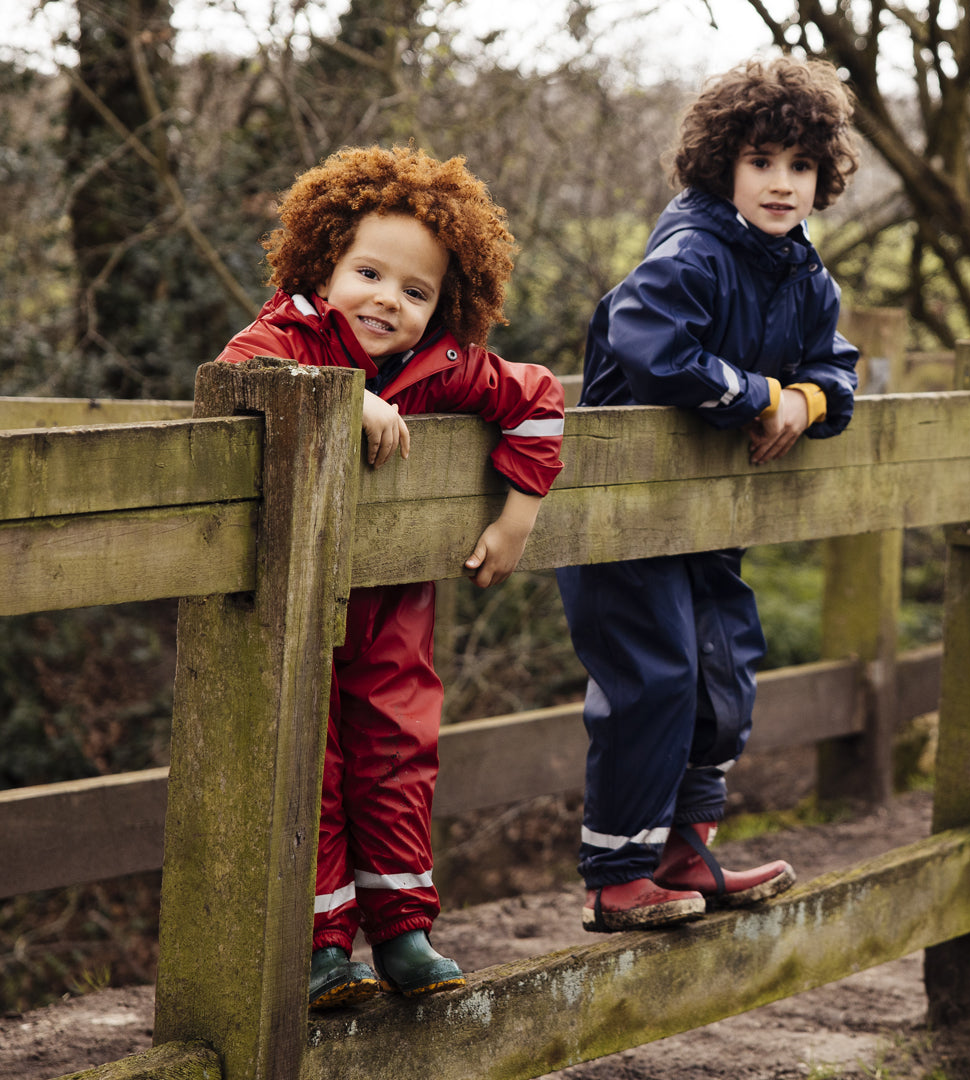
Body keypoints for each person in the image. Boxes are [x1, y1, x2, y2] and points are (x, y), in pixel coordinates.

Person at [216, 145, 564, 1001]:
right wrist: (346, 396)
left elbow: (538, 399)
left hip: (396, 611)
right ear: (323, 264)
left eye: (416, 291)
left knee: (398, 756)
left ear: (445, 306)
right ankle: (320, 945)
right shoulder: (286, 335)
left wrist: (516, 518)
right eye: (368, 273)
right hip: (297, 606)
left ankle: (404, 932)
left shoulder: (443, 363)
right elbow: (234, 377)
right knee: (314, 763)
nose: (387, 300)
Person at [556, 56, 861, 933]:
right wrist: (760, 395)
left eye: (801, 165)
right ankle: (619, 872)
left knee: (724, 670)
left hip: (707, 519)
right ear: (721, 163)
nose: (782, 183)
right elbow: (653, 348)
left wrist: (804, 400)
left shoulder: (804, 278)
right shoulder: (692, 254)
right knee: (654, 678)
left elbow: (837, 368)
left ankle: (686, 849)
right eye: (761, 161)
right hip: (621, 516)